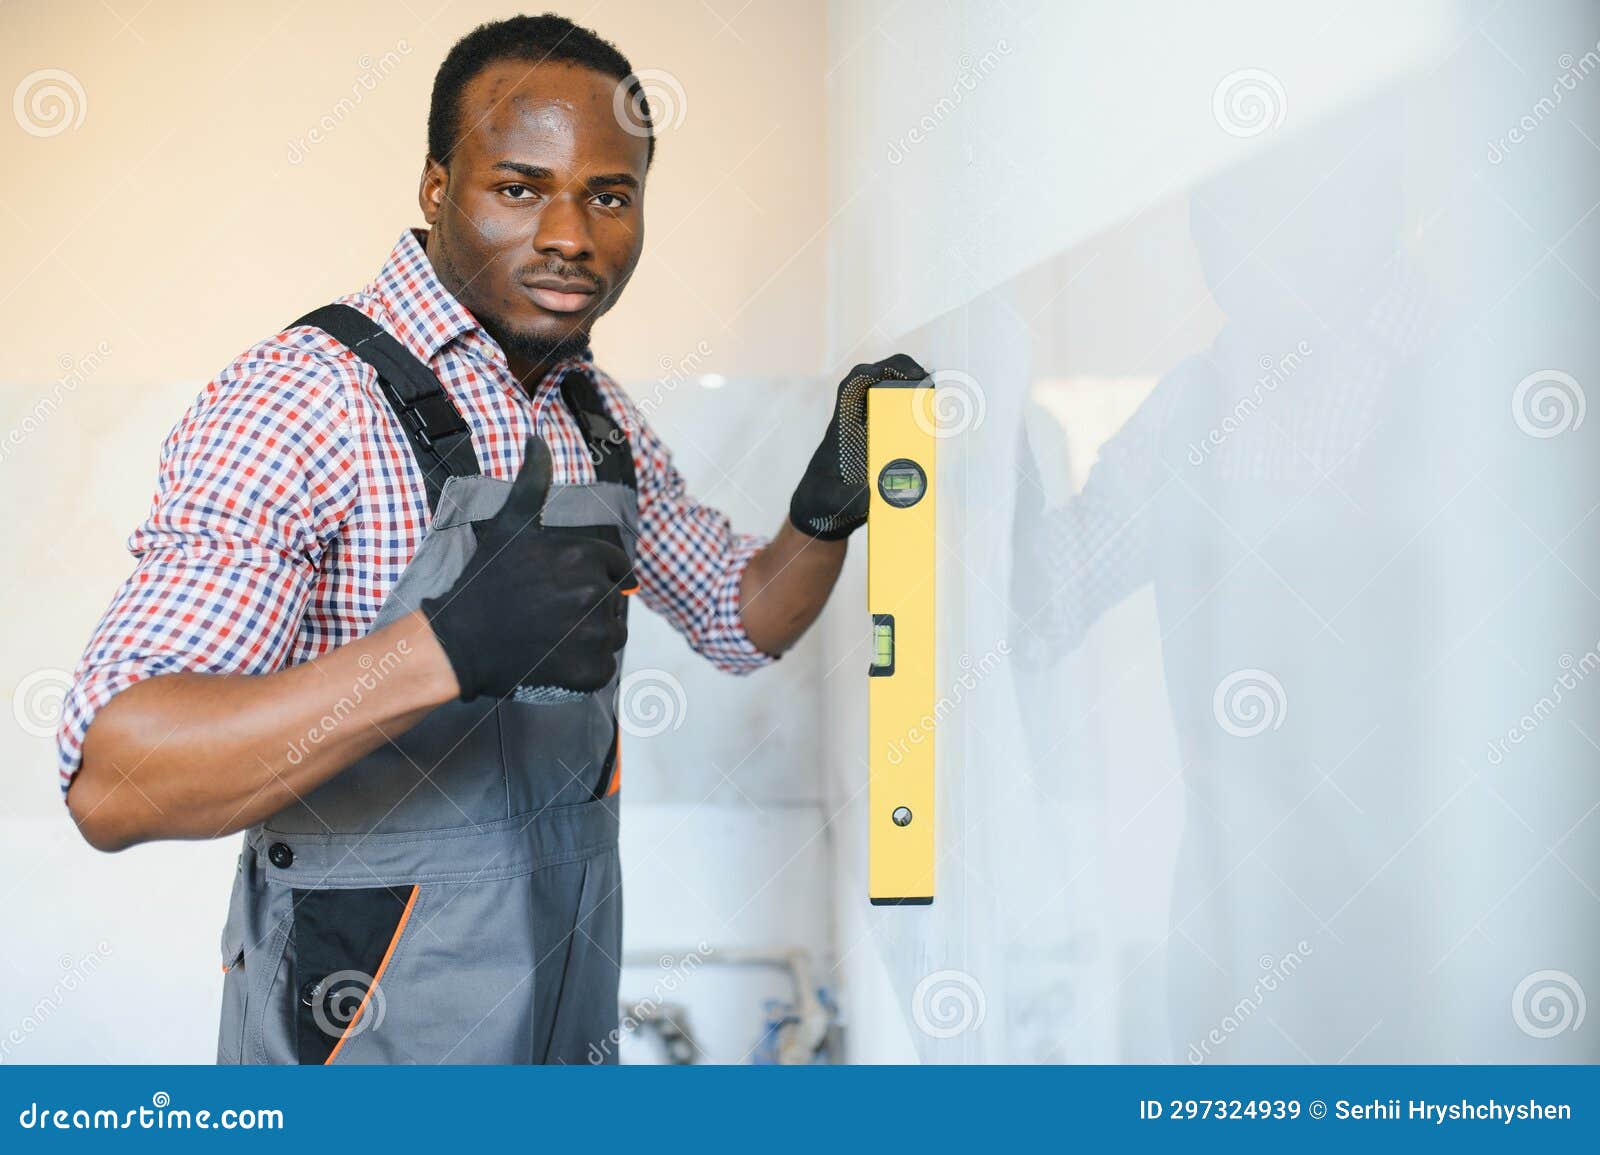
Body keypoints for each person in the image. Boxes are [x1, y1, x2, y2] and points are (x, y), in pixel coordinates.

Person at [57, 13, 923, 1065]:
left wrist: (825, 509)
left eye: (610, 196)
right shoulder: (306, 398)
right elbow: (116, 781)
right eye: (520, 188)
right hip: (358, 1037)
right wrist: (443, 649)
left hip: (563, 1008)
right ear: (437, 188)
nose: (571, 235)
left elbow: (741, 619)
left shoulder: (591, 412)